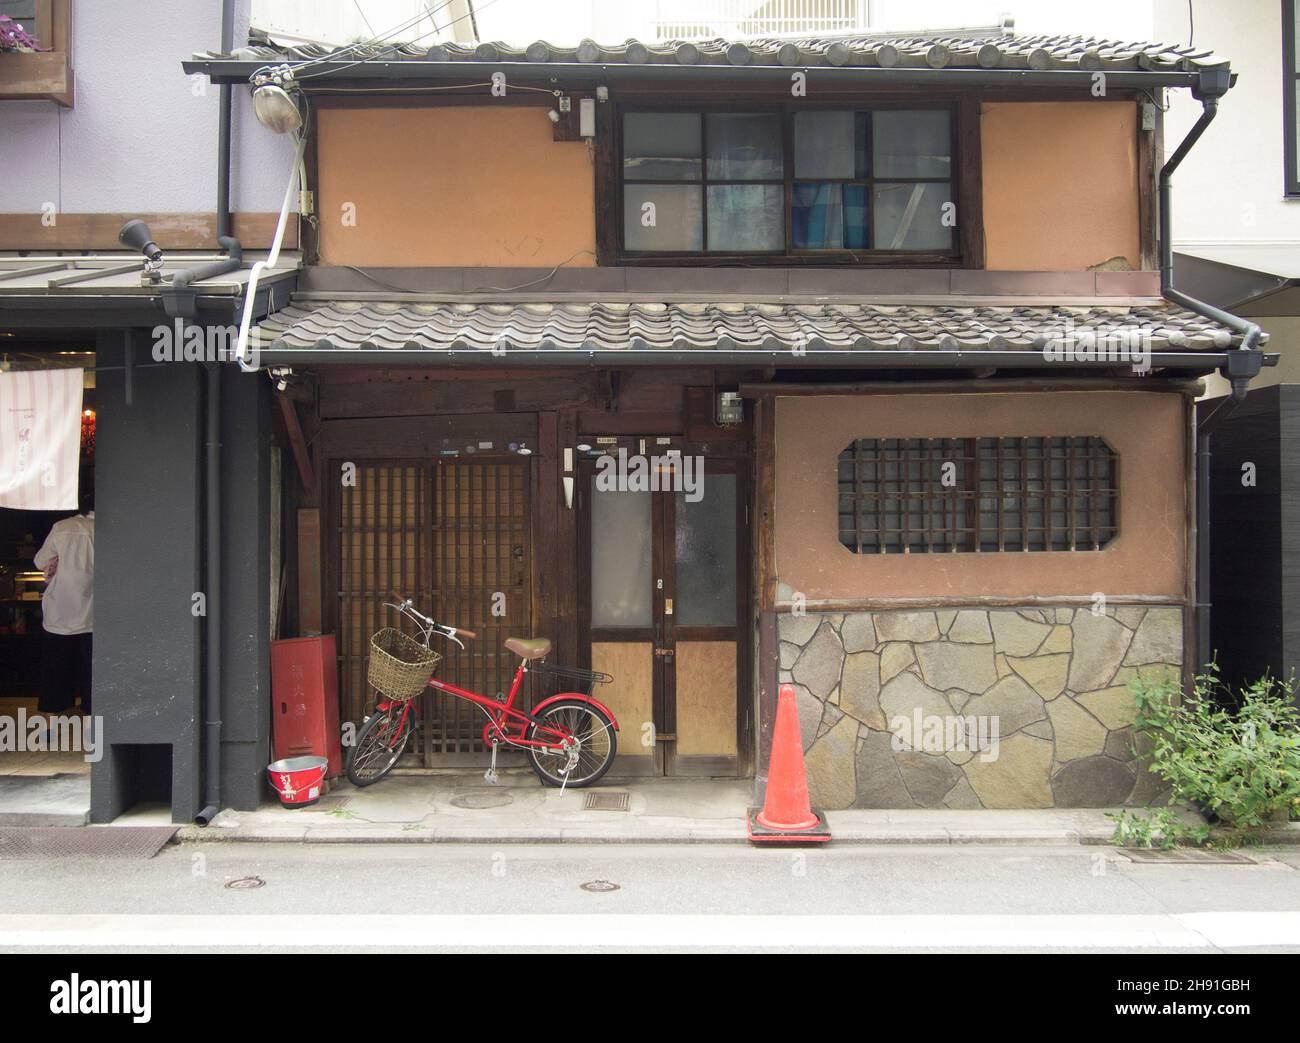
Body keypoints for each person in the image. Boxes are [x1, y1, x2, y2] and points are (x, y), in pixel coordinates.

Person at [34, 485, 94, 717]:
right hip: (92, 609)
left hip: (61, 606)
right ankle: (89, 705)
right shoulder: (107, 529)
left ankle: (56, 705)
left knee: (57, 661)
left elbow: (41, 562)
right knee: (89, 663)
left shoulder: (62, 527)